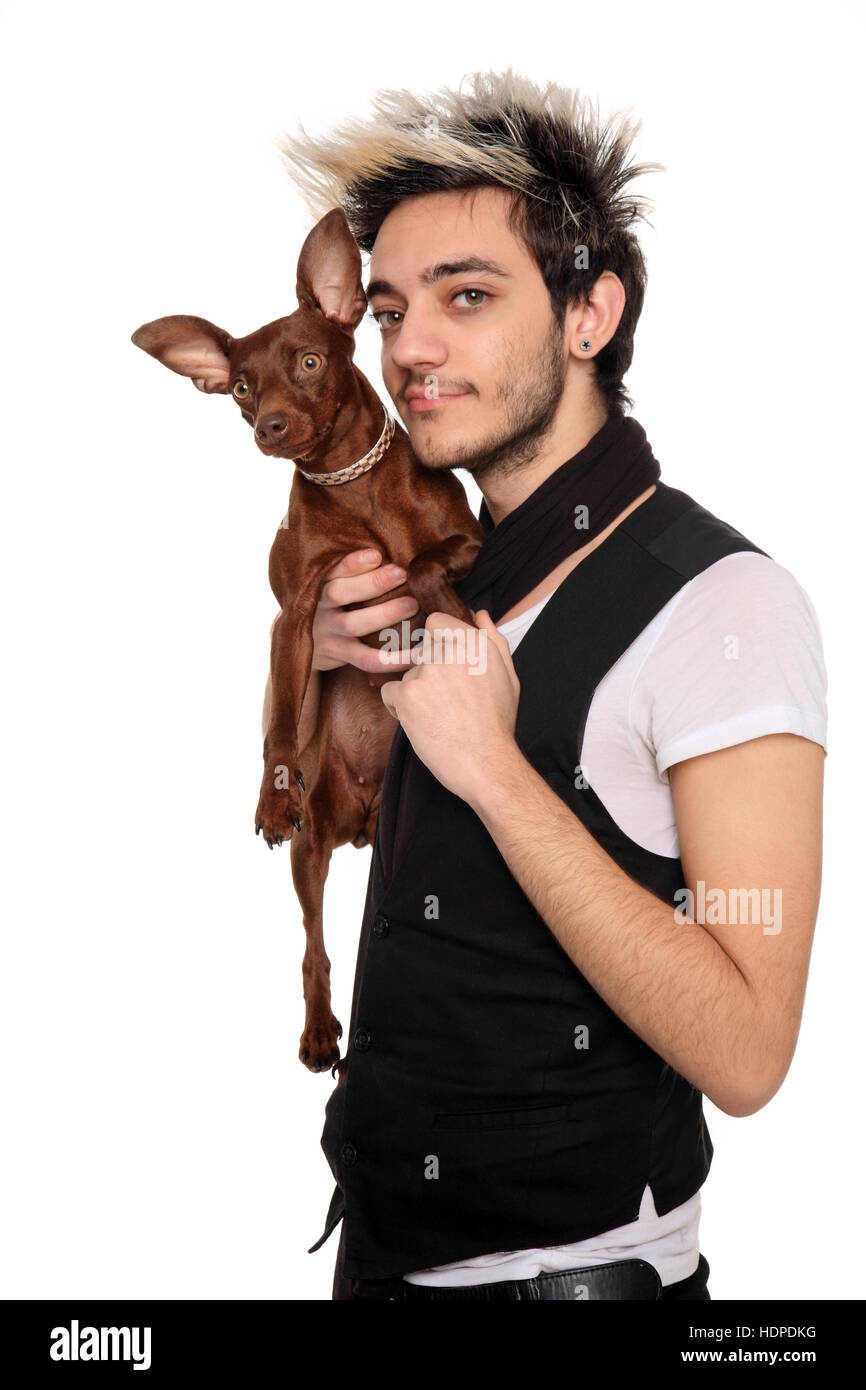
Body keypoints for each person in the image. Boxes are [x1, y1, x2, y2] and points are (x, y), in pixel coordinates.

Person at [279, 69, 827, 1301]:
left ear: (590, 315)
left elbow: (745, 1051)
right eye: (387, 309)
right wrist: (318, 690)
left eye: (465, 297)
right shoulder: (443, 586)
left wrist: (496, 772)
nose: (407, 347)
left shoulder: (727, 608)